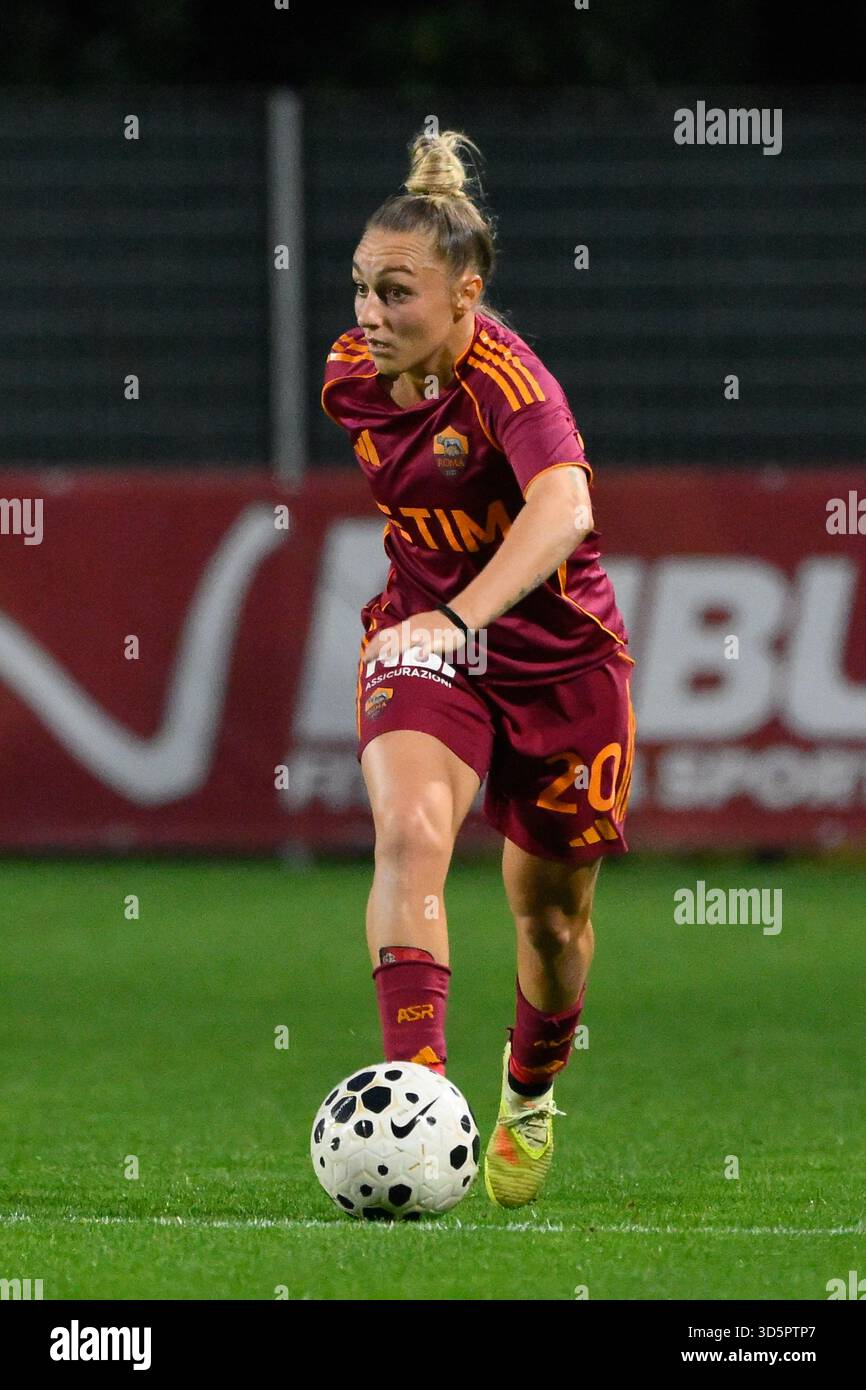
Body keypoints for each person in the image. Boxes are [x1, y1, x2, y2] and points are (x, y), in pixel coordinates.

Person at [321, 129, 636, 1208]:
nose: (368, 314)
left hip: (558, 666)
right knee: (409, 832)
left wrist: (464, 611)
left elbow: (566, 505)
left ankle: (530, 1091)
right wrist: (437, 622)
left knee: (547, 920)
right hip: (424, 640)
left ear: (466, 295)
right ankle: (415, 1092)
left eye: (395, 293)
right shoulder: (350, 379)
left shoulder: (510, 379)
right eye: (360, 288)